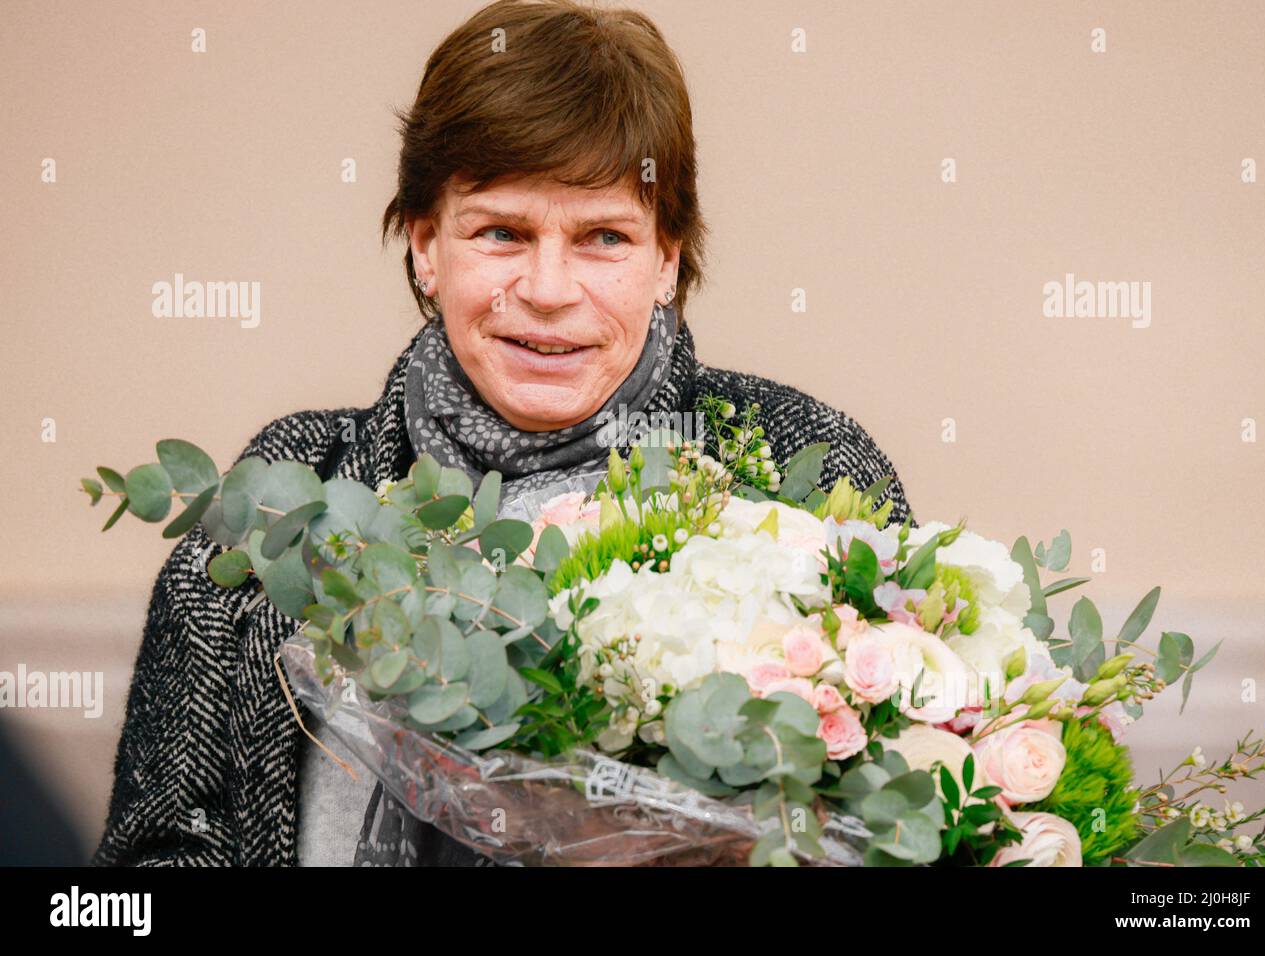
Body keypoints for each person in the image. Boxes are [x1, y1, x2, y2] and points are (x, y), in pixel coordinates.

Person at [92, 0, 912, 867]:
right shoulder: (287, 488)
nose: (549, 288)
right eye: (501, 232)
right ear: (426, 245)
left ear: (667, 257)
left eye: (604, 235)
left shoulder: (802, 468)